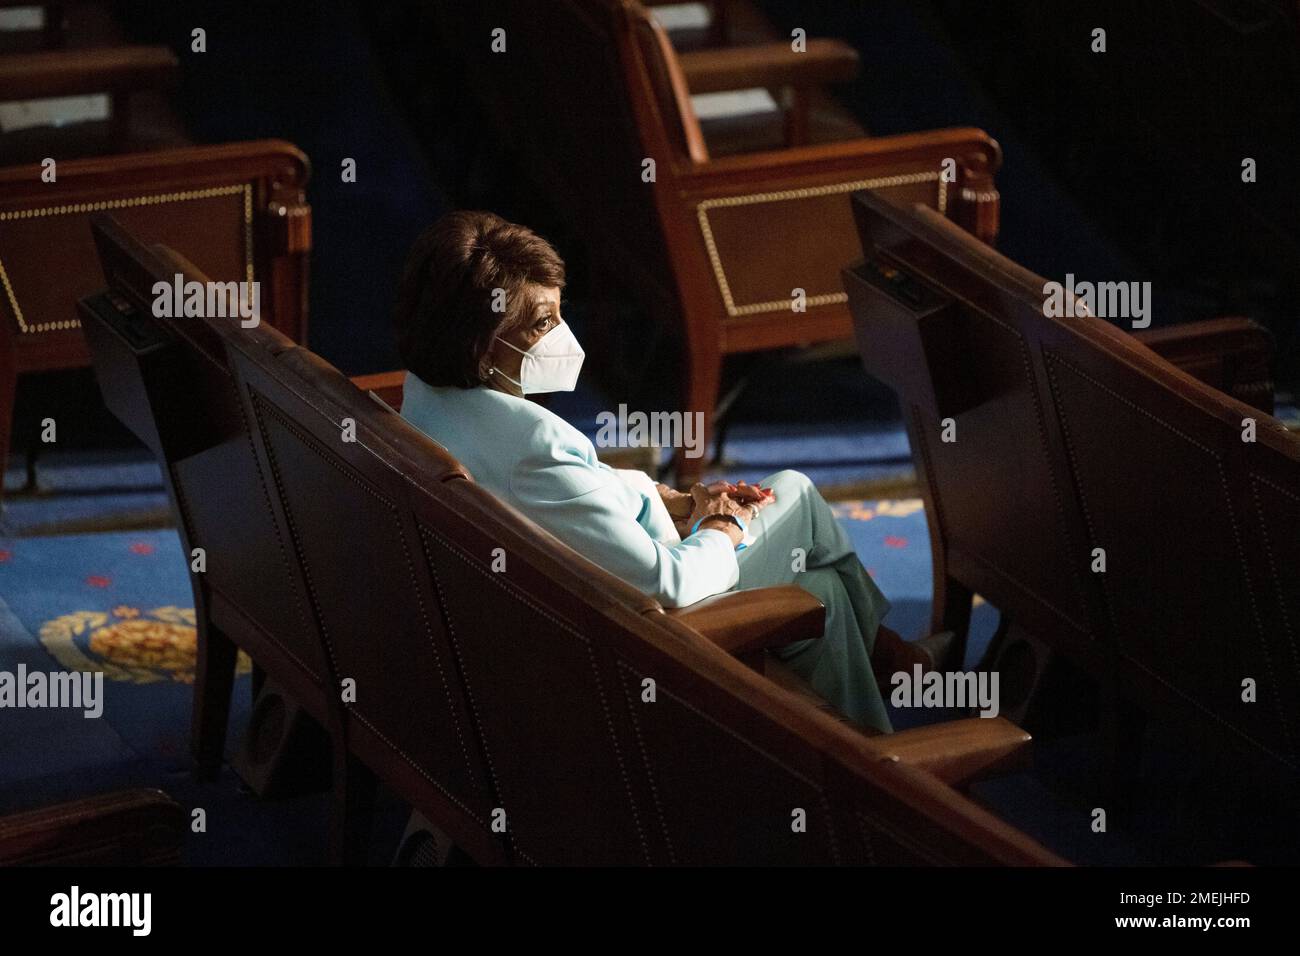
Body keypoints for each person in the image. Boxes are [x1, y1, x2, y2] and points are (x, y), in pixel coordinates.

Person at [395, 211, 947, 734]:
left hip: (529, 622)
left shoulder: (428, 400)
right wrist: (721, 528)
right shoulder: (535, 446)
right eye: (543, 322)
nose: (564, 335)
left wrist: (666, 498)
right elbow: (667, 585)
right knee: (795, 494)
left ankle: (870, 728)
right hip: (636, 641)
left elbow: (563, 497)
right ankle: (890, 683)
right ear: (482, 343)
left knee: (821, 590)